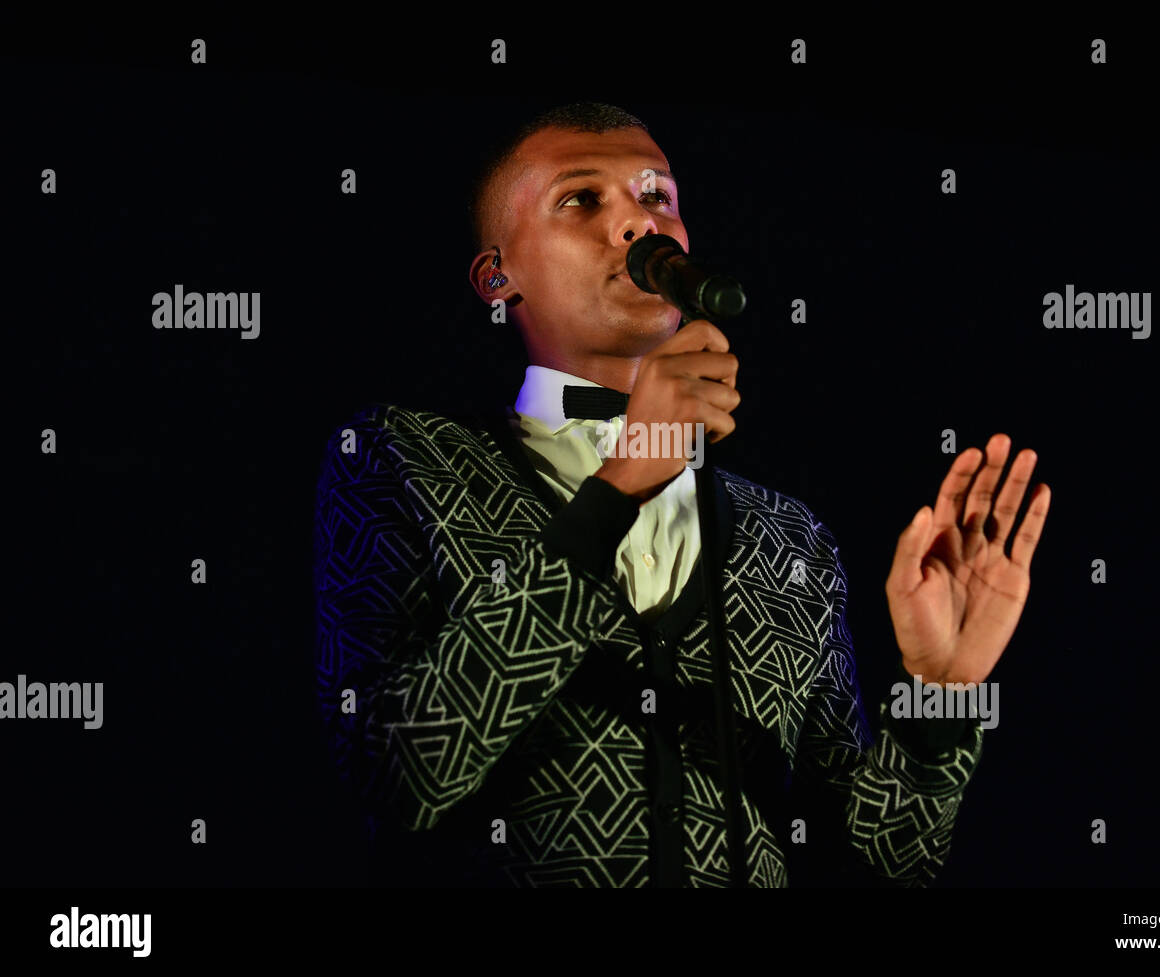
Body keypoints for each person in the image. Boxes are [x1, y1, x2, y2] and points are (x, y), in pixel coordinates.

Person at [313, 102, 1051, 887]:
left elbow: (872, 867)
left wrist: (940, 697)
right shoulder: (402, 456)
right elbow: (396, 773)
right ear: (499, 277)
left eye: (656, 196)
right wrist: (623, 480)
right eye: (581, 198)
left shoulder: (790, 538)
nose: (636, 221)